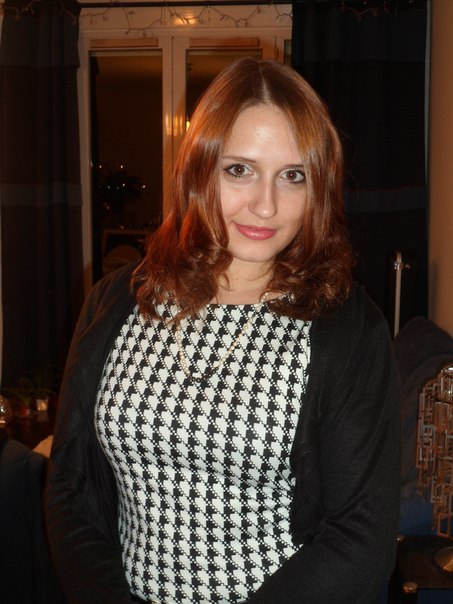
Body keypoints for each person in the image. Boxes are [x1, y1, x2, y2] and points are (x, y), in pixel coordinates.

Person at [45, 57, 400, 604]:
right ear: (199, 171)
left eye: (293, 175)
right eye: (239, 169)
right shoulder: (116, 302)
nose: (265, 204)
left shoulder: (347, 329)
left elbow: (362, 534)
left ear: (318, 189)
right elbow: (71, 483)